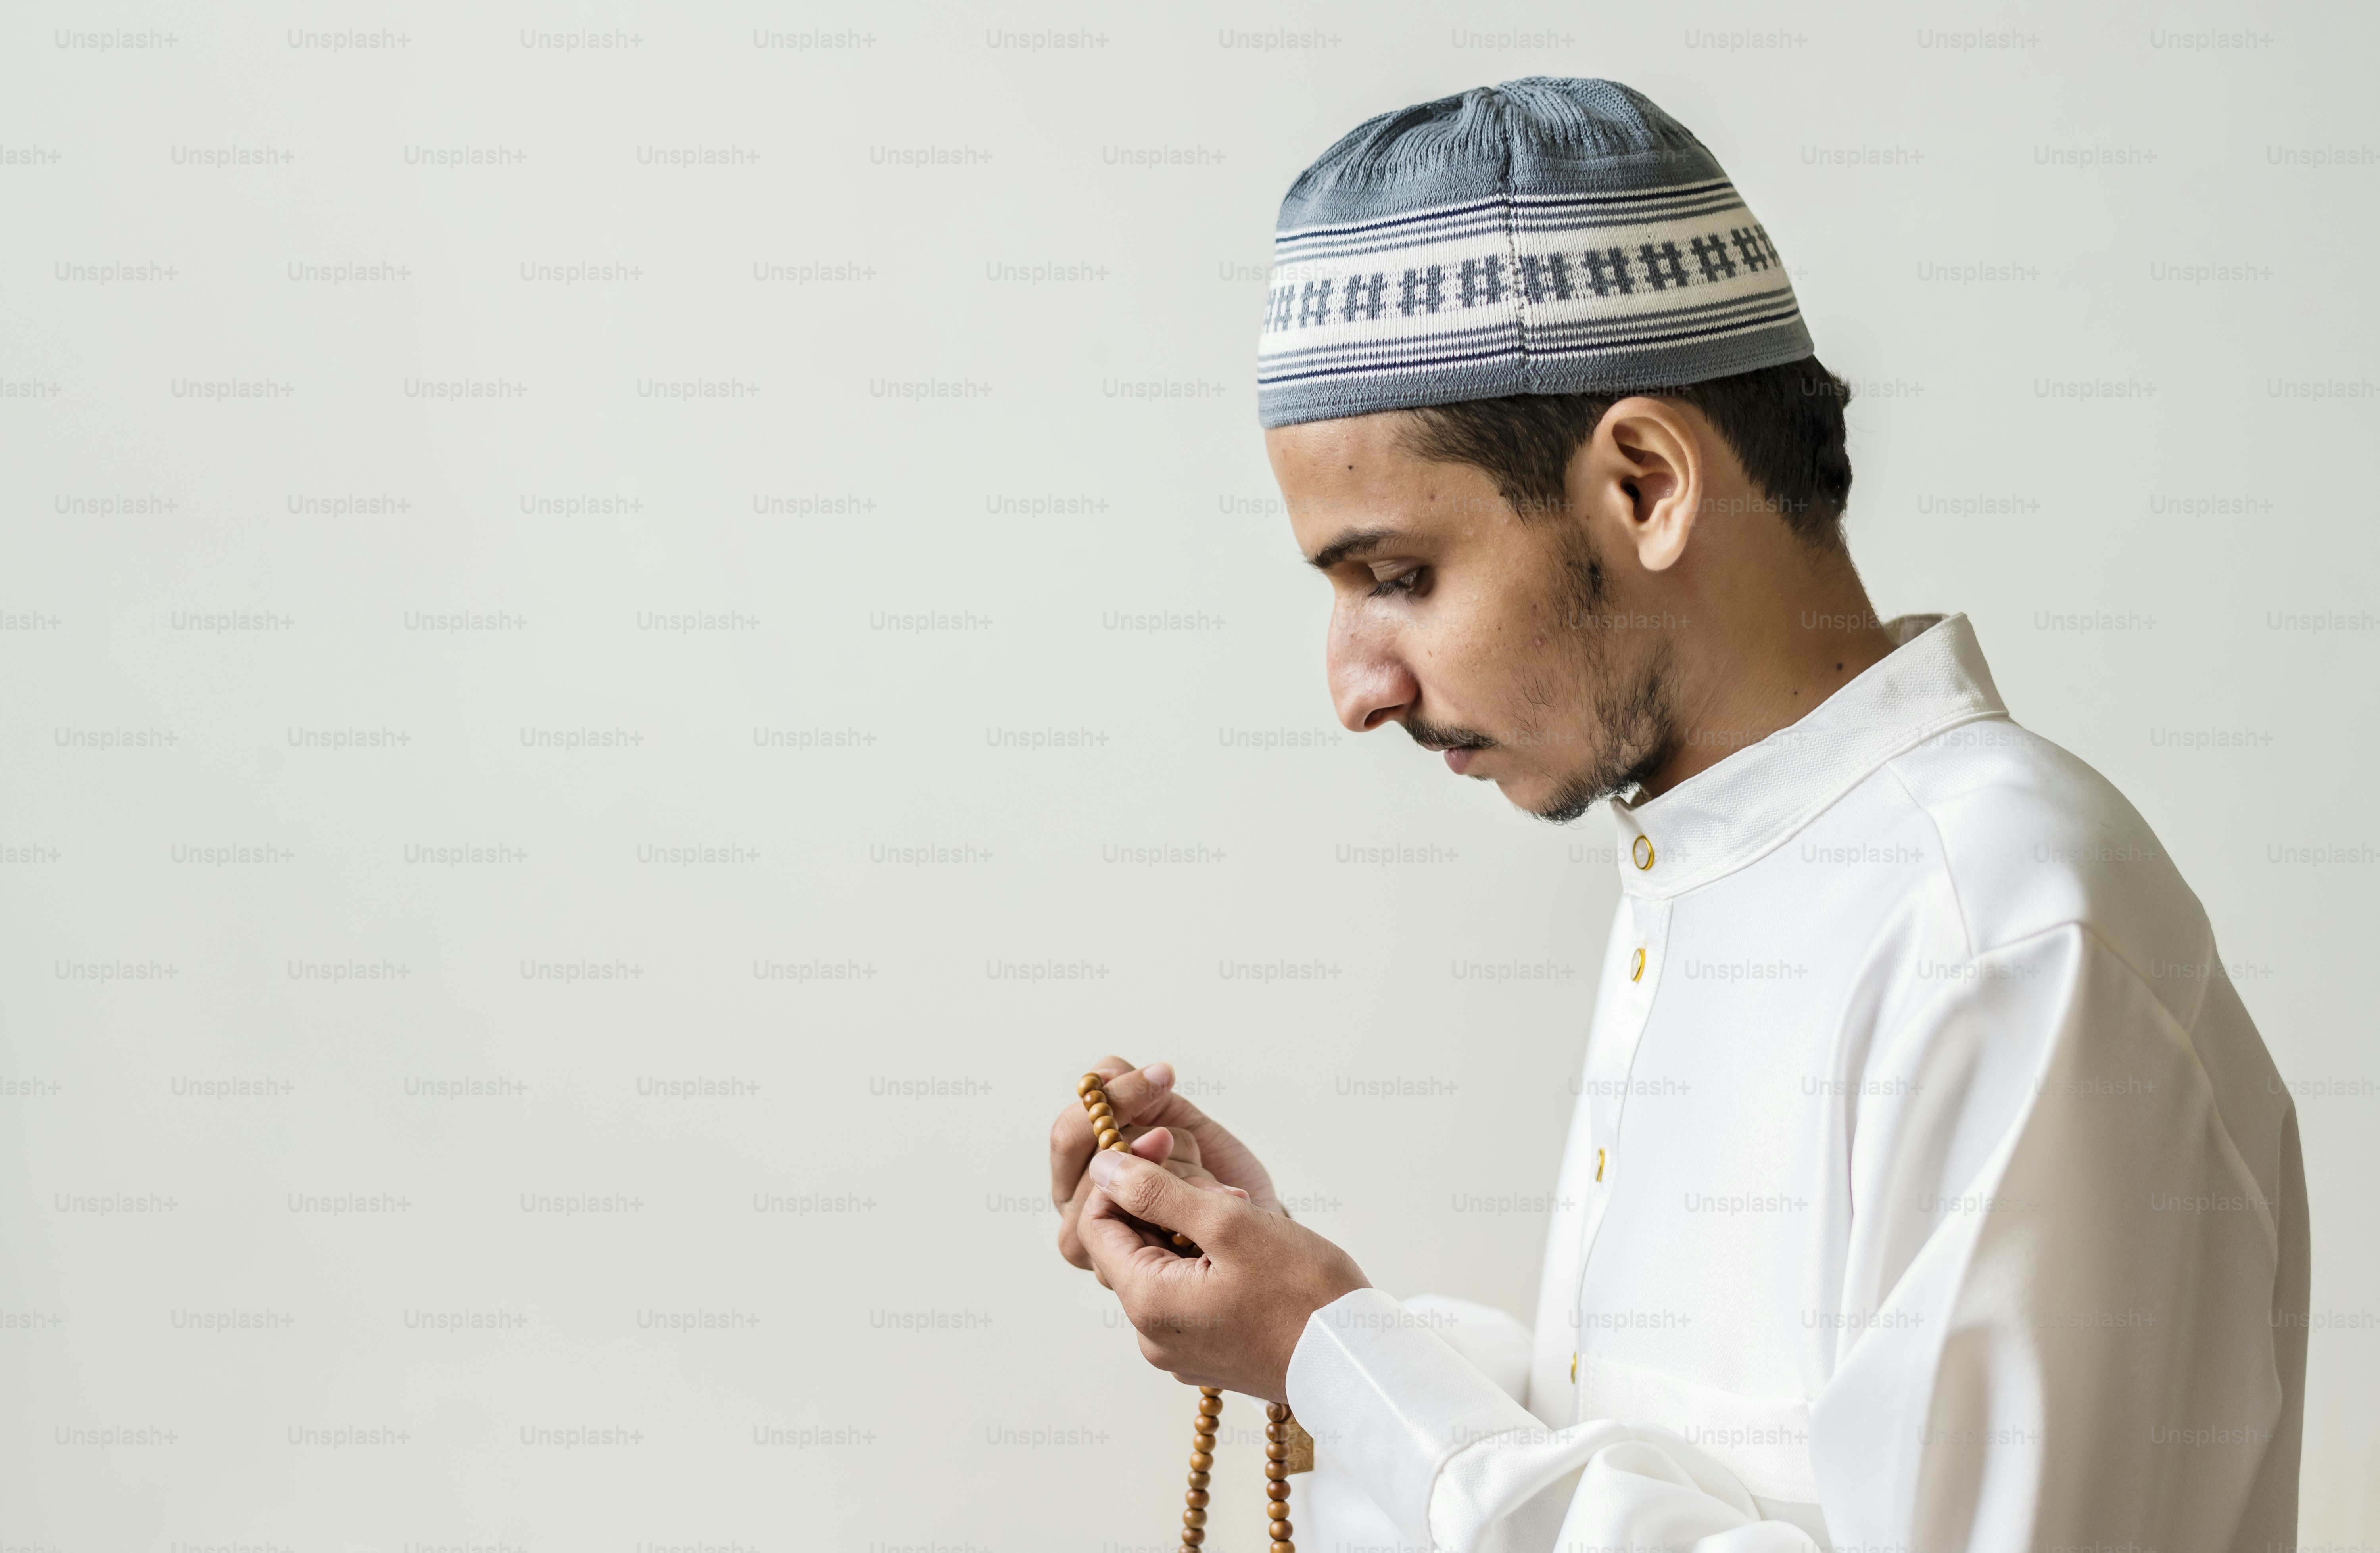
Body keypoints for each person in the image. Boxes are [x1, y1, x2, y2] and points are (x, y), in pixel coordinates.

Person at [1047, 78, 2306, 1553]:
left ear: (1646, 485)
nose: (1355, 689)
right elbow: (1699, 1477)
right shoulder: (1722, 870)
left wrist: (1338, 1356)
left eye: (1398, 577)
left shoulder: (2007, 934)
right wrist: (1303, 1323)